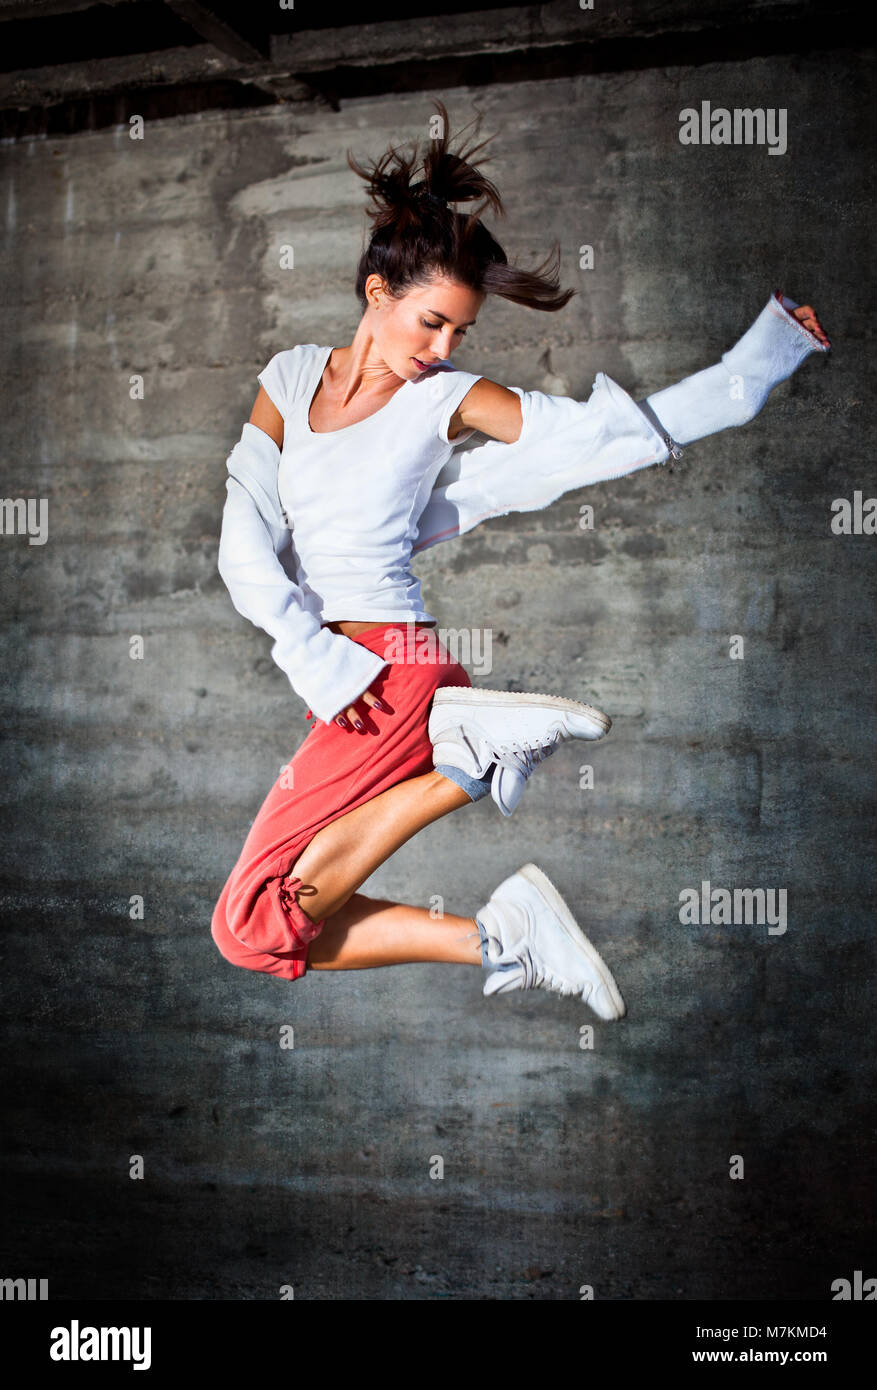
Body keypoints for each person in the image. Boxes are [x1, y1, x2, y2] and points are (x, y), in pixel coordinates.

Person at [210, 101, 830, 1020]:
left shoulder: (446, 400)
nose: (443, 349)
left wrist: (752, 372)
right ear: (376, 295)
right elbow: (242, 534)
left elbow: (591, 440)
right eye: (430, 323)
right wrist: (310, 652)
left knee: (248, 926)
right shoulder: (290, 376)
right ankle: (500, 930)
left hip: (389, 671)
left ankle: (465, 772)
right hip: (343, 670)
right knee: (267, 927)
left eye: (460, 332)